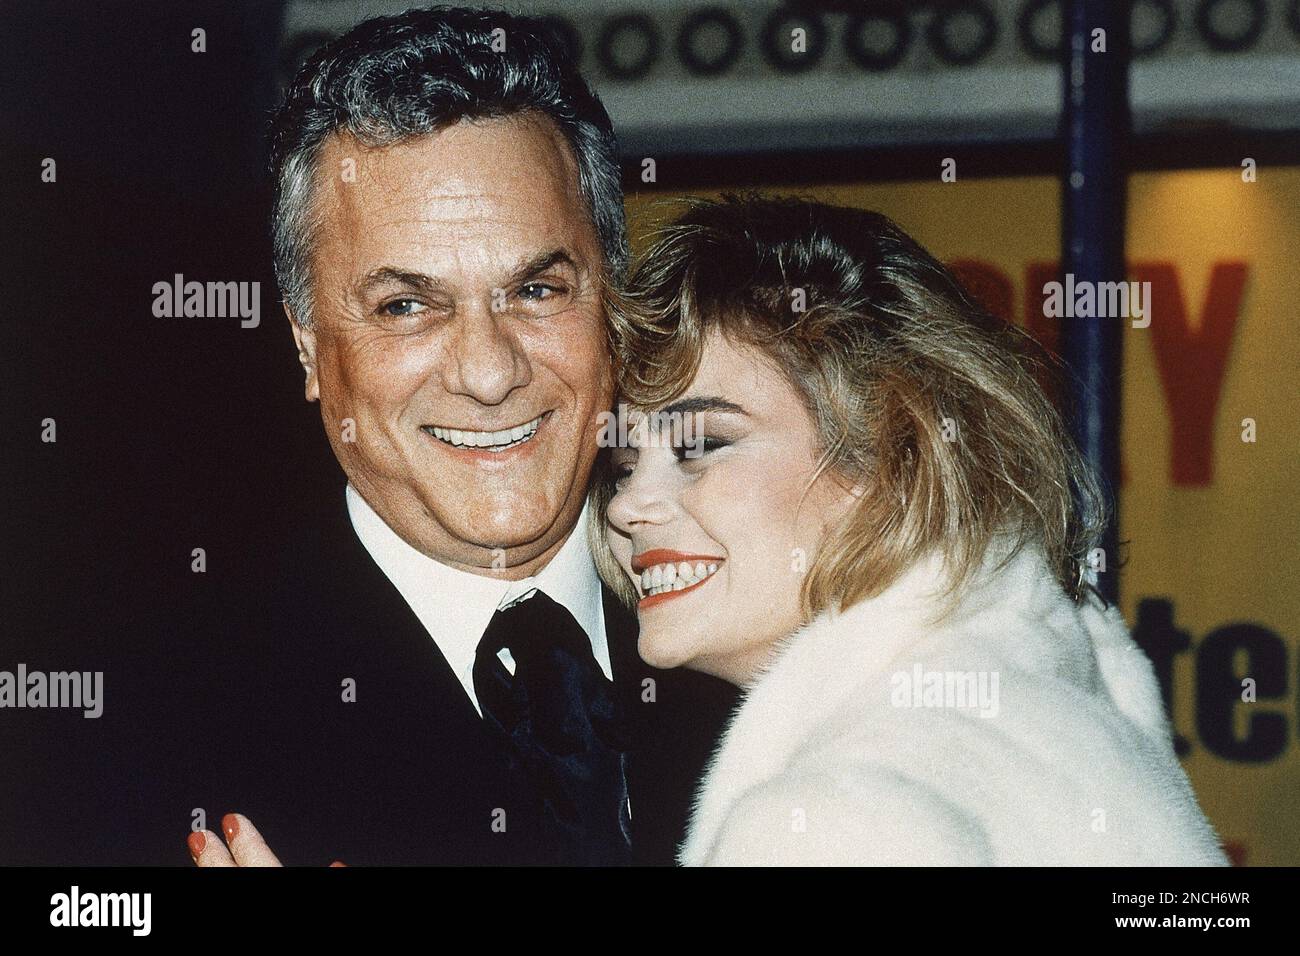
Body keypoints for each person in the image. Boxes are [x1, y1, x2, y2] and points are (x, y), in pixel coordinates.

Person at [175, 6, 735, 867]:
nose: (488, 372)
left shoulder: (775, 644)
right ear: (306, 345)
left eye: (538, 291)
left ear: (612, 303)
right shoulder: (161, 717)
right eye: (406, 306)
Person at [593, 194, 1229, 865]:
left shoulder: (842, 820)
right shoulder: (1047, 717)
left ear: (894, 460)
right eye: (624, 464)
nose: (629, 505)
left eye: (703, 445)